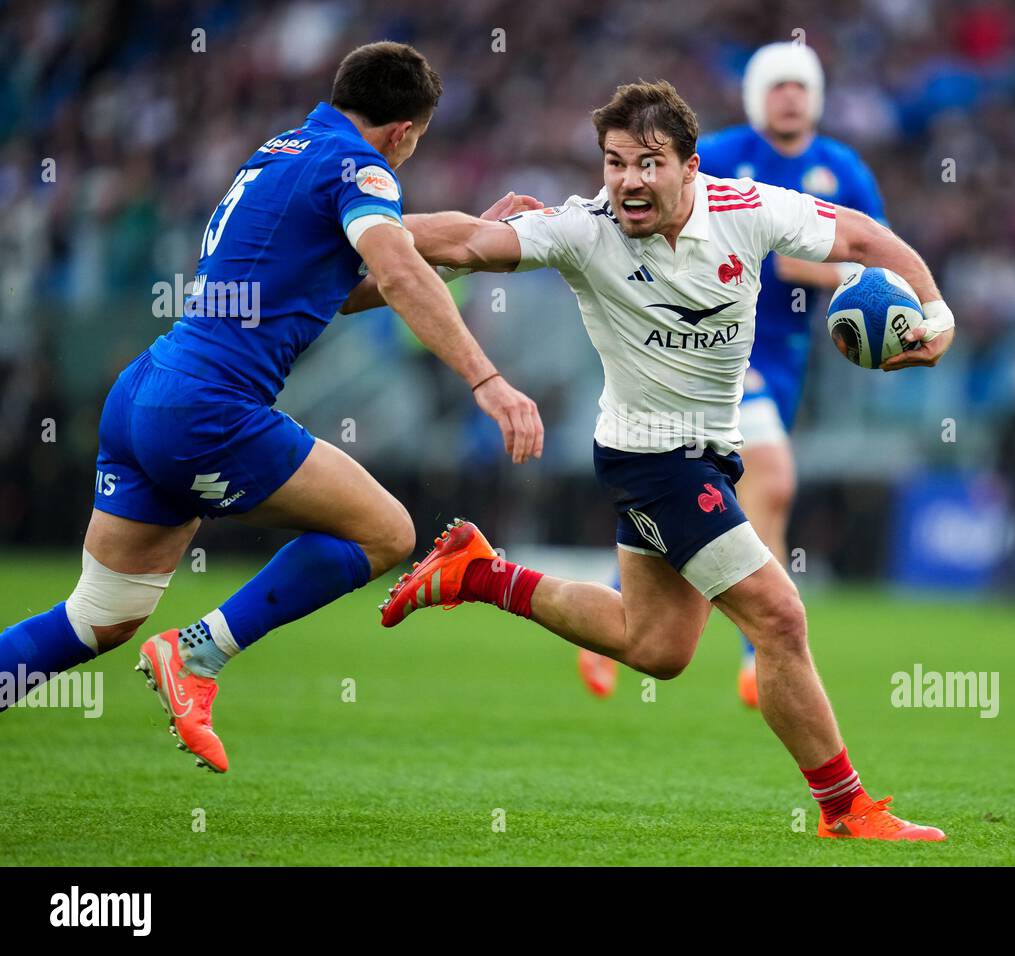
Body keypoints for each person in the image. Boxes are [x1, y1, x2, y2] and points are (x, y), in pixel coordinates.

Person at [371, 79, 956, 841]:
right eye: (615, 162)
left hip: (707, 455)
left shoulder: (745, 210)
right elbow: (467, 241)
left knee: (659, 647)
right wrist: (361, 223)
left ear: (689, 167)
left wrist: (936, 312)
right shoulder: (583, 228)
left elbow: (863, 237)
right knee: (779, 617)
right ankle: (847, 810)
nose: (628, 181)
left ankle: (477, 573)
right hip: (654, 462)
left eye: (648, 163)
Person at [0, 42, 544, 774]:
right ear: (405, 130)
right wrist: (487, 380)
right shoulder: (361, 166)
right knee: (387, 532)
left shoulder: (282, 150)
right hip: (207, 409)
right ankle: (197, 655)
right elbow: (394, 264)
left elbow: (333, 285)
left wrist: (458, 240)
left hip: (147, 392)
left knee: (96, 617)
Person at [576, 42, 890, 706]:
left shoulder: (842, 168)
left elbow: (871, 259)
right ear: (756, 94)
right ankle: (758, 650)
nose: (789, 98)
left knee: (719, 484)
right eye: (776, 86)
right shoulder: (717, 153)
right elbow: (640, 212)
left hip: (788, 355)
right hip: (712, 342)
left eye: (800, 87)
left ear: (817, 96)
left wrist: (830, 276)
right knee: (772, 479)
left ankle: (612, 600)